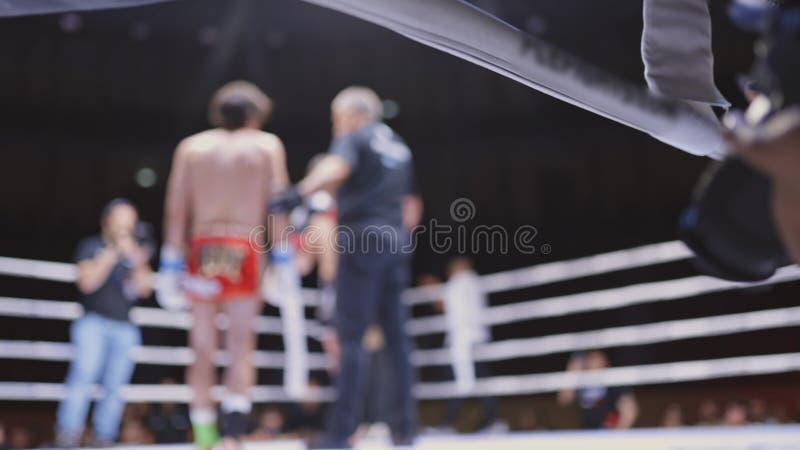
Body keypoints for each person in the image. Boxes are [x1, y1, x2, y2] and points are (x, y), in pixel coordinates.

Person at [277, 86, 417, 448]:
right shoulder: (400, 146)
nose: (335, 127)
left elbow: (335, 166)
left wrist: (299, 191)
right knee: (397, 339)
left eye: (336, 119)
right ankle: (405, 430)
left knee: (351, 337)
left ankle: (340, 434)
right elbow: (411, 205)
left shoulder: (355, 136)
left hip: (361, 237)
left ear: (352, 115)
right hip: (395, 240)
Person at [157, 80, 291, 450]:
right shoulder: (265, 145)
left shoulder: (193, 147)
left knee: (201, 346)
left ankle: (204, 438)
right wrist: (283, 259)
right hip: (245, 245)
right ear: (254, 115)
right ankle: (231, 435)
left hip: (203, 245)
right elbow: (277, 204)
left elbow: (176, 206)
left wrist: (170, 259)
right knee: (240, 345)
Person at [55, 199, 153, 447]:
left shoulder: (135, 254)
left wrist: (135, 257)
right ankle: (68, 435)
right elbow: (86, 283)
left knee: (115, 386)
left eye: (130, 223)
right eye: (122, 222)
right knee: (82, 379)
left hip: (124, 327)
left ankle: (104, 437)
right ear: (107, 221)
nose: (126, 228)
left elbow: (145, 289)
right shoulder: (91, 246)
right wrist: (111, 254)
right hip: (93, 324)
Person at [438, 257, 498, 432]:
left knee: (460, 381)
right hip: (477, 337)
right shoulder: (475, 282)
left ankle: (448, 422)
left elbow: (443, 305)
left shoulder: (458, 283)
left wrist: (430, 290)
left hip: (463, 340)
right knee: (478, 379)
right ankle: (490, 420)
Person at [557, 350, 639, 430]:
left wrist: (616, 436)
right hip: (588, 432)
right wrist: (572, 373)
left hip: (609, 433)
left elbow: (630, 412)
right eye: (589, 358)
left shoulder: (615, 381)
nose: (592, 363)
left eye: (596, 358)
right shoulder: (582, 381)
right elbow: (564, 400)